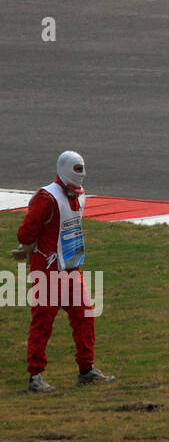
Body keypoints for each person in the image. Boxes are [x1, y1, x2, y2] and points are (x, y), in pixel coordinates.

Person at [11, 150, 115, 393]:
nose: (81, 174)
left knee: (85, 317)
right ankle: (35, 377)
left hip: (70, 268)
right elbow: (25, 233)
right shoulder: (46, 198)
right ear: (67, 169)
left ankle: (86, 370)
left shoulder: (77, 197)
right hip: (48, 270)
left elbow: (28, 235)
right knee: (43, 322)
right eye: (78, 169)